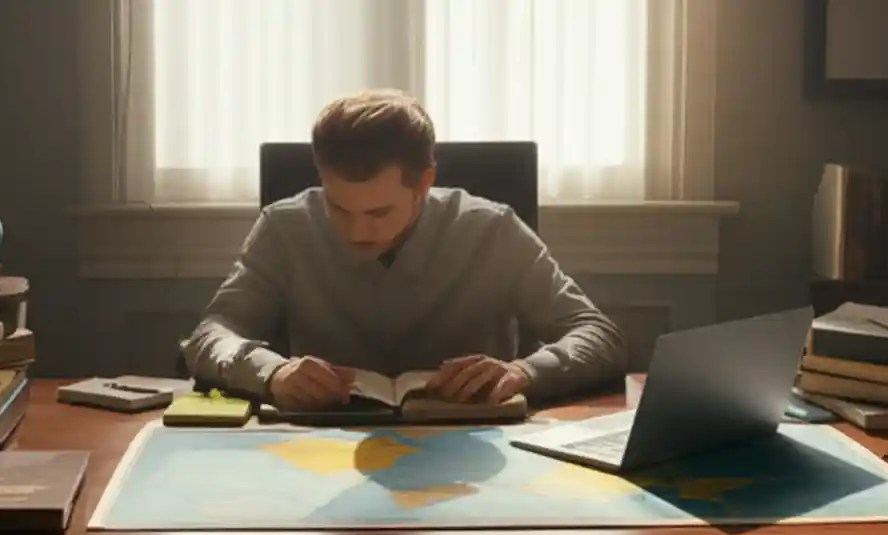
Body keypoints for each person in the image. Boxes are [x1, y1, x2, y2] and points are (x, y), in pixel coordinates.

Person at [183, 89, 627, 411]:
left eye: (378, 212)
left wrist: (524, 373)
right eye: (338, 207)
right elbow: (211, 336)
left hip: (472, 451)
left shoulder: (492, 229)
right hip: (320, 449)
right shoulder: (284, 227)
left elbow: (598, 335)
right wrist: (272, 373)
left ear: (425, 182)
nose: (357, 231)